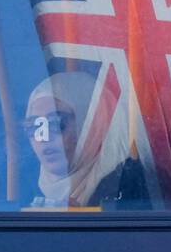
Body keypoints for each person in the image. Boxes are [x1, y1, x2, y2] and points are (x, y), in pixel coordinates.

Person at [24, 71, 136, 208]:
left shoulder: (131, 184)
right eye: (35, 127)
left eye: (56, 124)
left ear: (92, 124)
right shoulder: (24, 186)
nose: (43, 138)